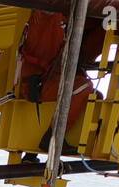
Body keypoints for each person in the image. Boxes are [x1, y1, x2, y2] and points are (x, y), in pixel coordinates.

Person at [17, 10, 106, 160]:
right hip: (38, 84)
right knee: (82, 87)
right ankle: (53, 137)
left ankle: (32, 152)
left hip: (49, 80)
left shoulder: (60, 18)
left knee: (94, 96)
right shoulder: (46, 17)